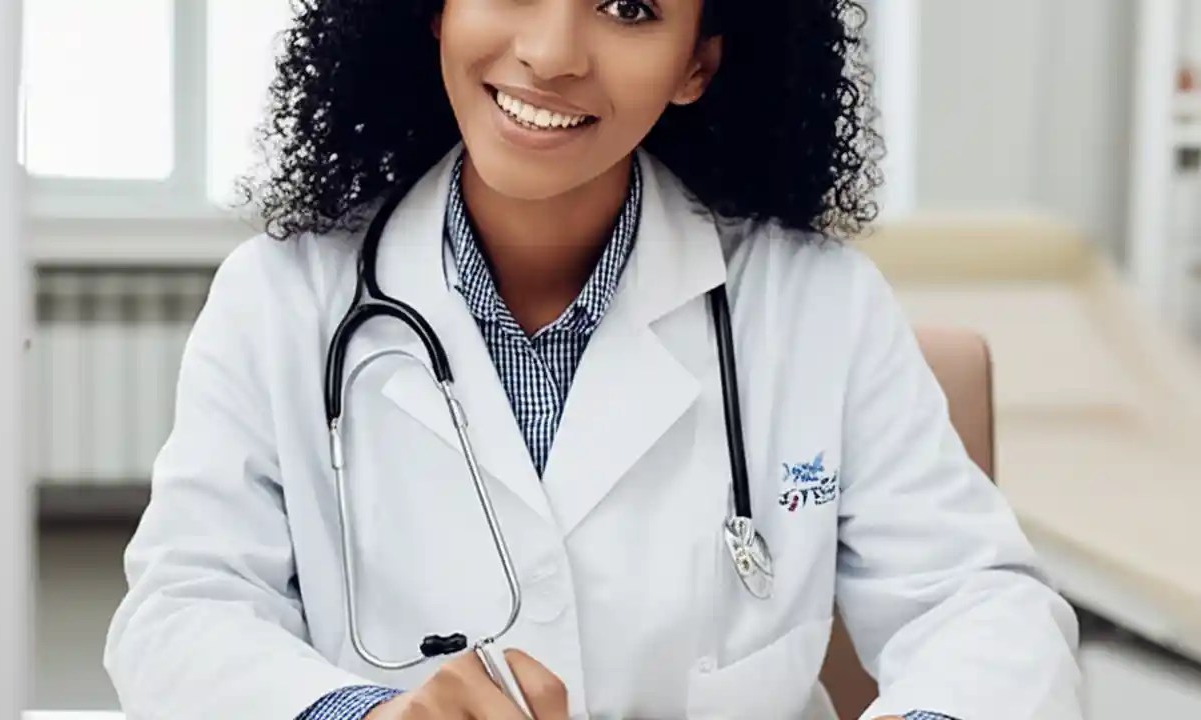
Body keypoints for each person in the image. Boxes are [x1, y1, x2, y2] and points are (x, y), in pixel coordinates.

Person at [104, 1, 1082, 718]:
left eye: (627, 7)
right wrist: (363, 717)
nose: (550, 52)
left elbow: (980, 608)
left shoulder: (815, 303)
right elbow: (181, 617)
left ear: (696, 60)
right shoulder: (280, 297)